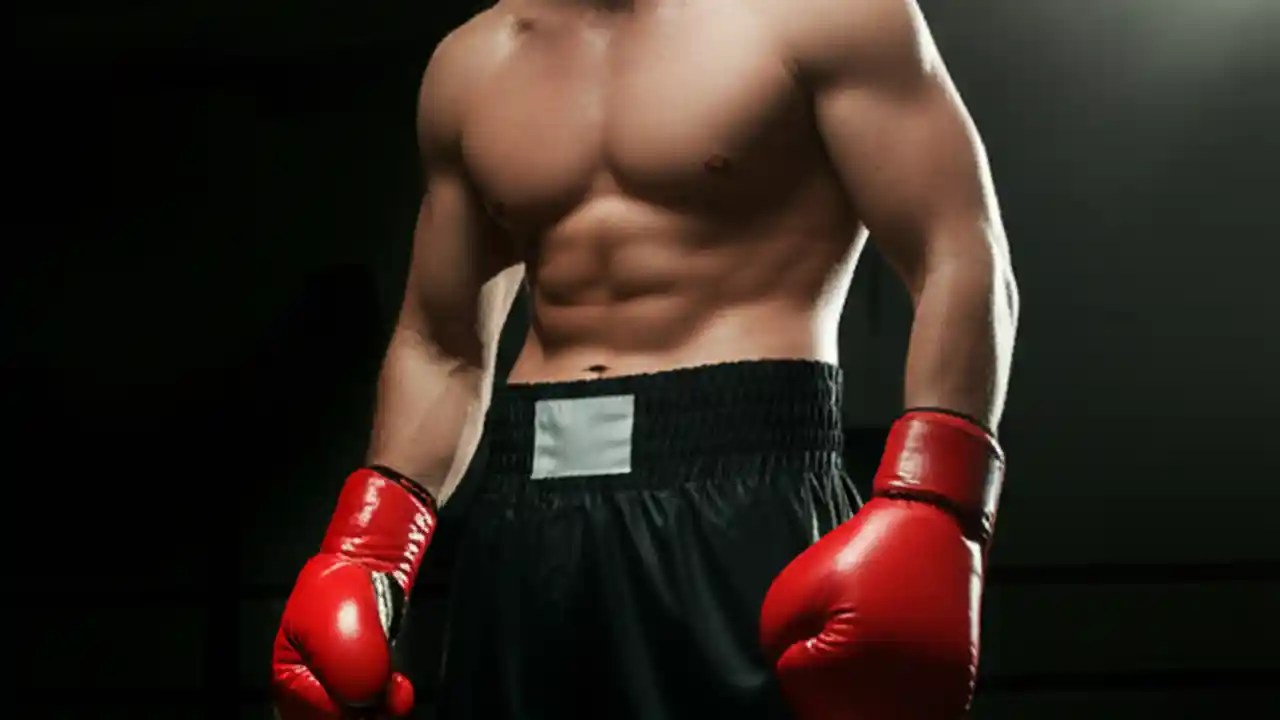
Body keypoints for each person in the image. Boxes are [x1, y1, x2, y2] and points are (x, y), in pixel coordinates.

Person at [271, 0, 1019, 717]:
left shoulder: (824, 11)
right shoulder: (473, 62)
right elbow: (441, 343)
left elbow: (960, 252)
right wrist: (366, 548)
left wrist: (936, 507)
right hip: (527, 516)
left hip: (744, 486)